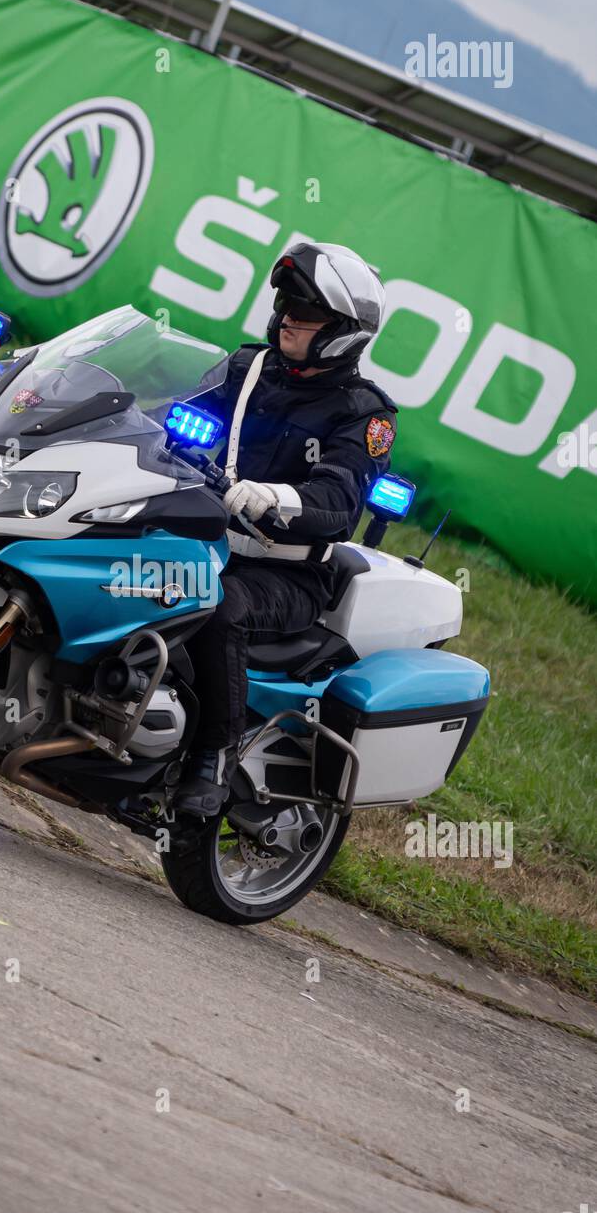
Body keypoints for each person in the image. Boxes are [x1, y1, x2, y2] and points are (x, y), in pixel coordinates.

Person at [174, 240, 398, 816]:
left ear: (345, 329)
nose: (290, 317)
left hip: (286, 574)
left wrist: (274, 496)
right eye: (286, 303)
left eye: (308, 311)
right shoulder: (245, 370)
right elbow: (161, 410)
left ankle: (212, 759)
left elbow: (341, 503)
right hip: (206, 538)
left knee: (216, 604)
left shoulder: (363, 413)